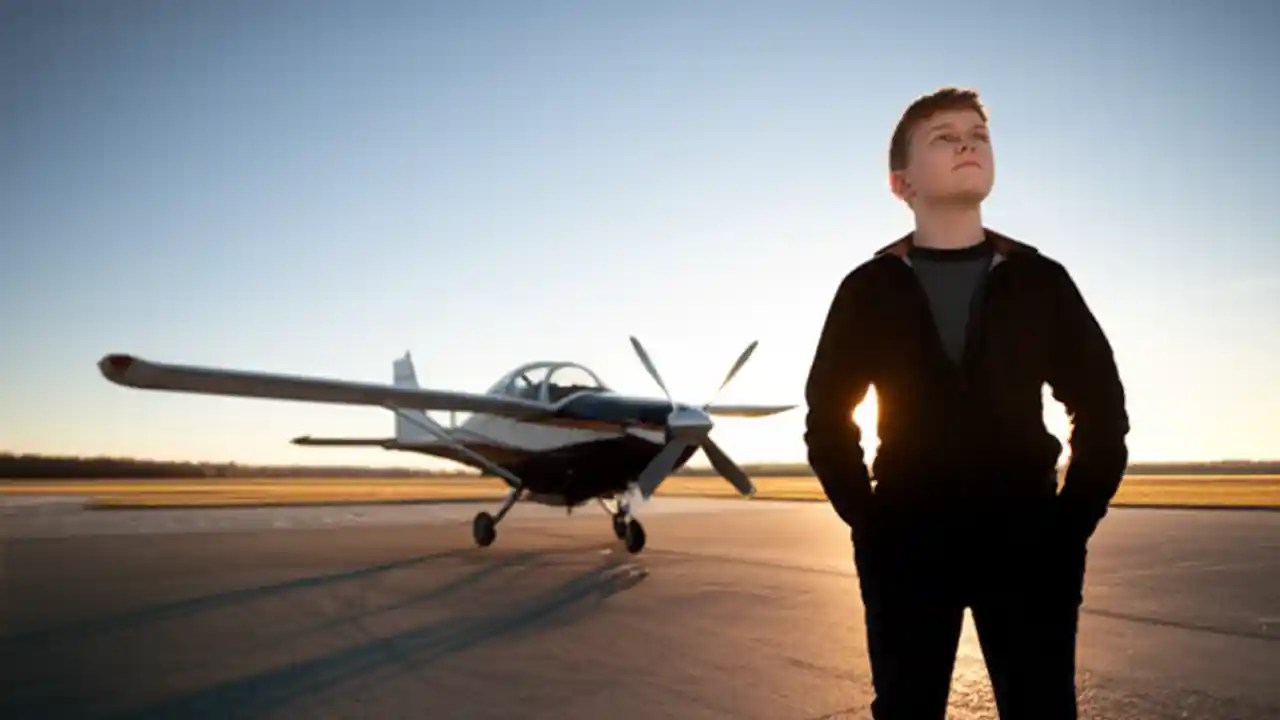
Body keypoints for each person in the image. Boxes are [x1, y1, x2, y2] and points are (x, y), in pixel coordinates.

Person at [803, 87, 1129, 719]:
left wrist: (1070, 524)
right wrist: (871, 524)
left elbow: (1101, 407)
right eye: (943, 138)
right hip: (906, 544)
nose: (967, 144)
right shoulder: (866, 290)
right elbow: (827, 419)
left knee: (1043, 709)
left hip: (1030, 542)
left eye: (978, 135)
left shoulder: (1041, 280)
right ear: (901, 183)